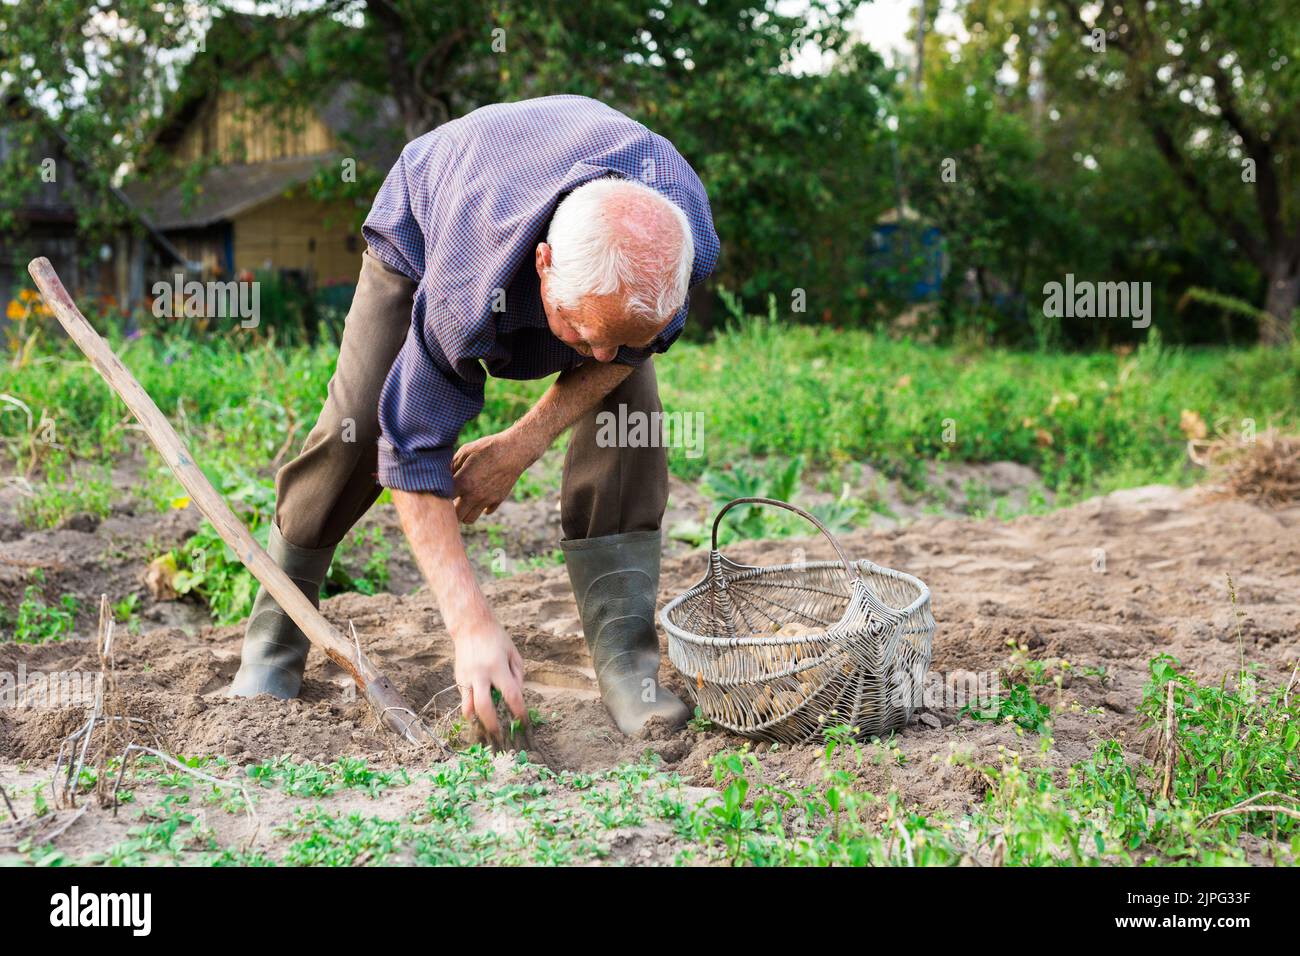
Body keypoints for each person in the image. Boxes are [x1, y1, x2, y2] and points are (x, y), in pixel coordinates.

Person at [229, 95, 720, 740]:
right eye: (584, 332)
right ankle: (276, 637)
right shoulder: (470, 273)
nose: (602, 356)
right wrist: (471, 625)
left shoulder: (674, 245)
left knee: (629, 424)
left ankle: (628, 664)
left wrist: (522, 442)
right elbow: (413, 445)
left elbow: (627, 345)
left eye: (621, 337)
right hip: (435, 212)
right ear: (544, 265)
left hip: (589, 235)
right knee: (360, 426)